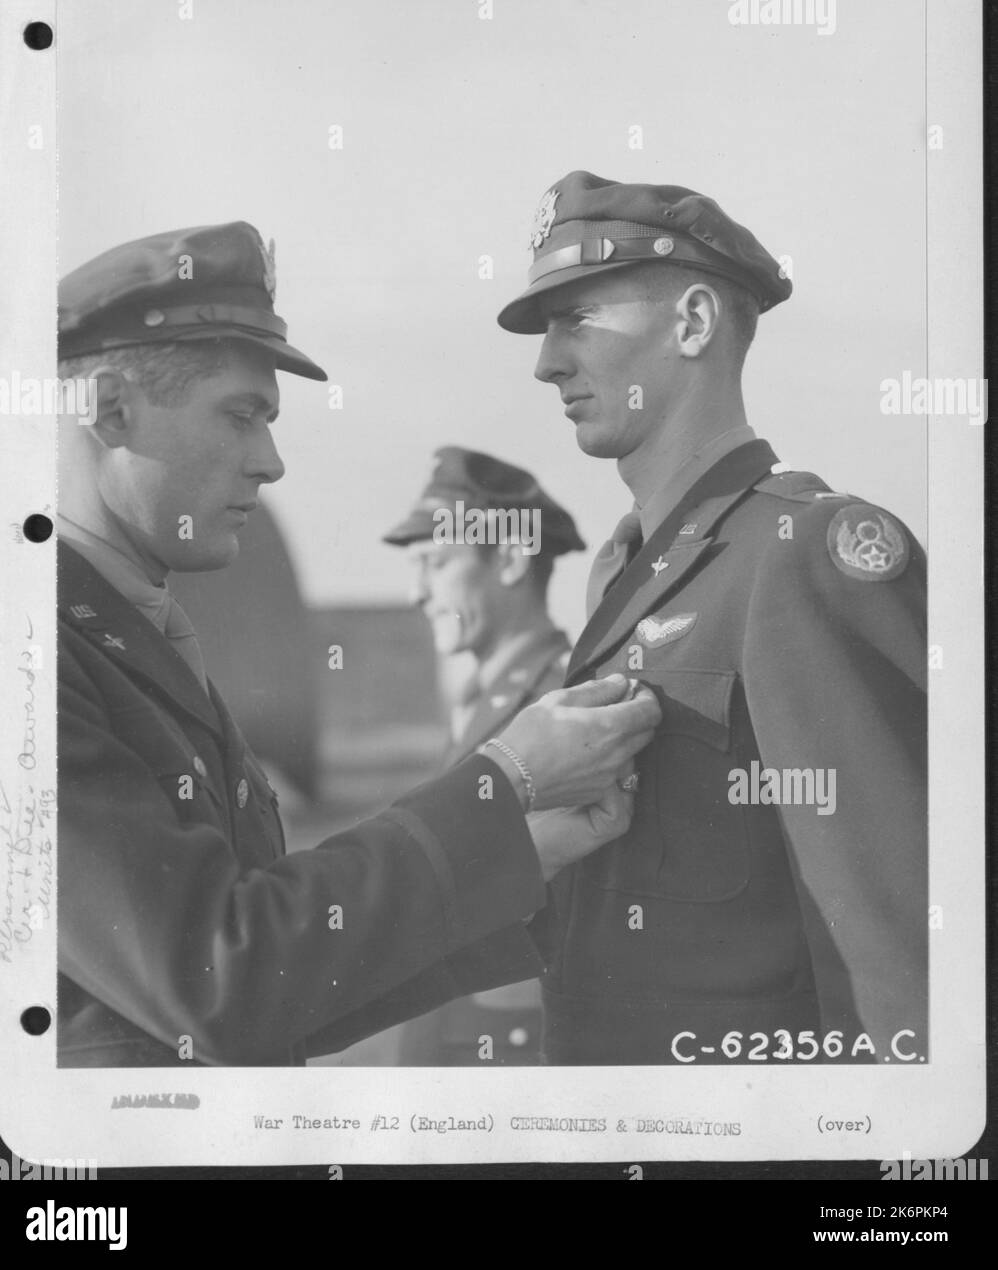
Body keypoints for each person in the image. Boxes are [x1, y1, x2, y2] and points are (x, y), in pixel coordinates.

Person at [55, 220, 661, 1067]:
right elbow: (215, 978)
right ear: (111, 409)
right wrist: (504, 782)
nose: (271, 463)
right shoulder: (28, 661)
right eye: (242, 415)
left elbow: (273, 998)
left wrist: (525, 858)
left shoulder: (131, 637)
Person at [496, 171, 927, 1066]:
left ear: (692, 324)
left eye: (578, 317)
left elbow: (895, 941)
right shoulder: (622, 572)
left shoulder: (802, 555)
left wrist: (900, 1193)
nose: (547, 362)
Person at [383, 445, 584, 1063]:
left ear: (510, 558)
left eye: (437, 563)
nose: (418, 593)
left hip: (506, 1043)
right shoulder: (481, 699)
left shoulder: (558, 707)